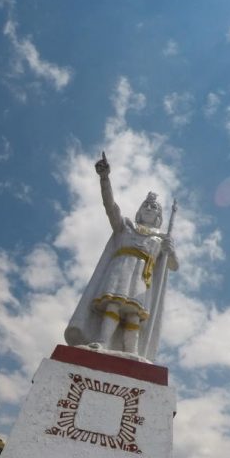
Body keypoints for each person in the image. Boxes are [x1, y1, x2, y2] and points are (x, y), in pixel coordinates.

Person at [64, 152, 178, 360]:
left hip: (143, 275)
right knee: (113, 304)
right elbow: (110, 207)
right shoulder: (125, 226)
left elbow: (173, 265)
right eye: (146, 205)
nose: (150, 208)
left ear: (160, 216)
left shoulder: (160, 238)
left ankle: (131, 350)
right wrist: (104, 179)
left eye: (154, 207)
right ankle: (103, 340)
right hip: (121, 267)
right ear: (140, 211)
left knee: (134, 312)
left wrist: (170, 250)